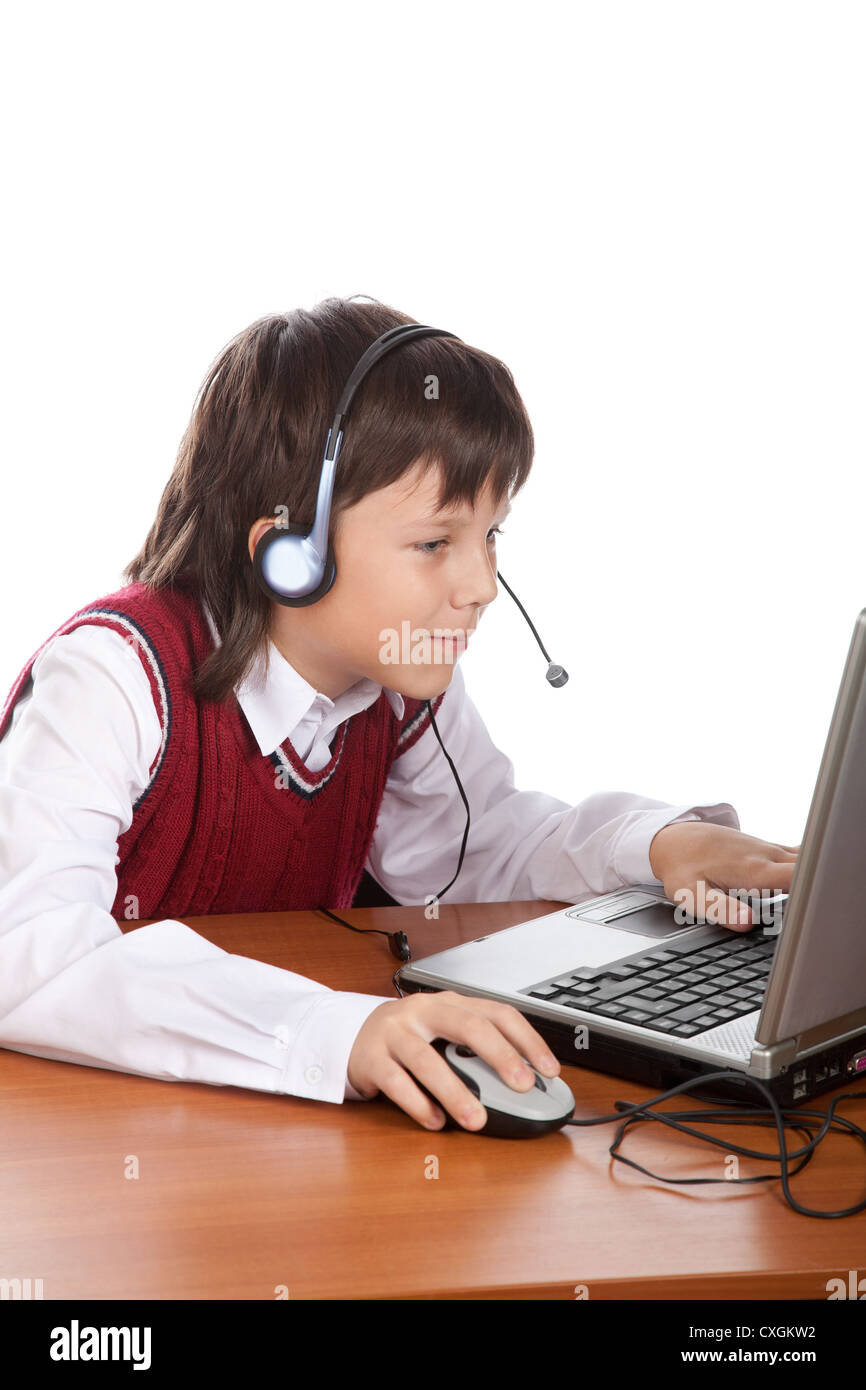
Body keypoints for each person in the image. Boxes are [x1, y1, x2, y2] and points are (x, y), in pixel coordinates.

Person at [0, 296, 799, 1133]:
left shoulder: (396, 679)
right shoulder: (115, 676)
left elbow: (476, 846)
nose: (481, 587)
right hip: (81, 1128)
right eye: (434, 544)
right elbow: (30, 951)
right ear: (290, 550)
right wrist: (339, 1030)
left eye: (493, 535)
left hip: (245, 1122)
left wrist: (661, 844)